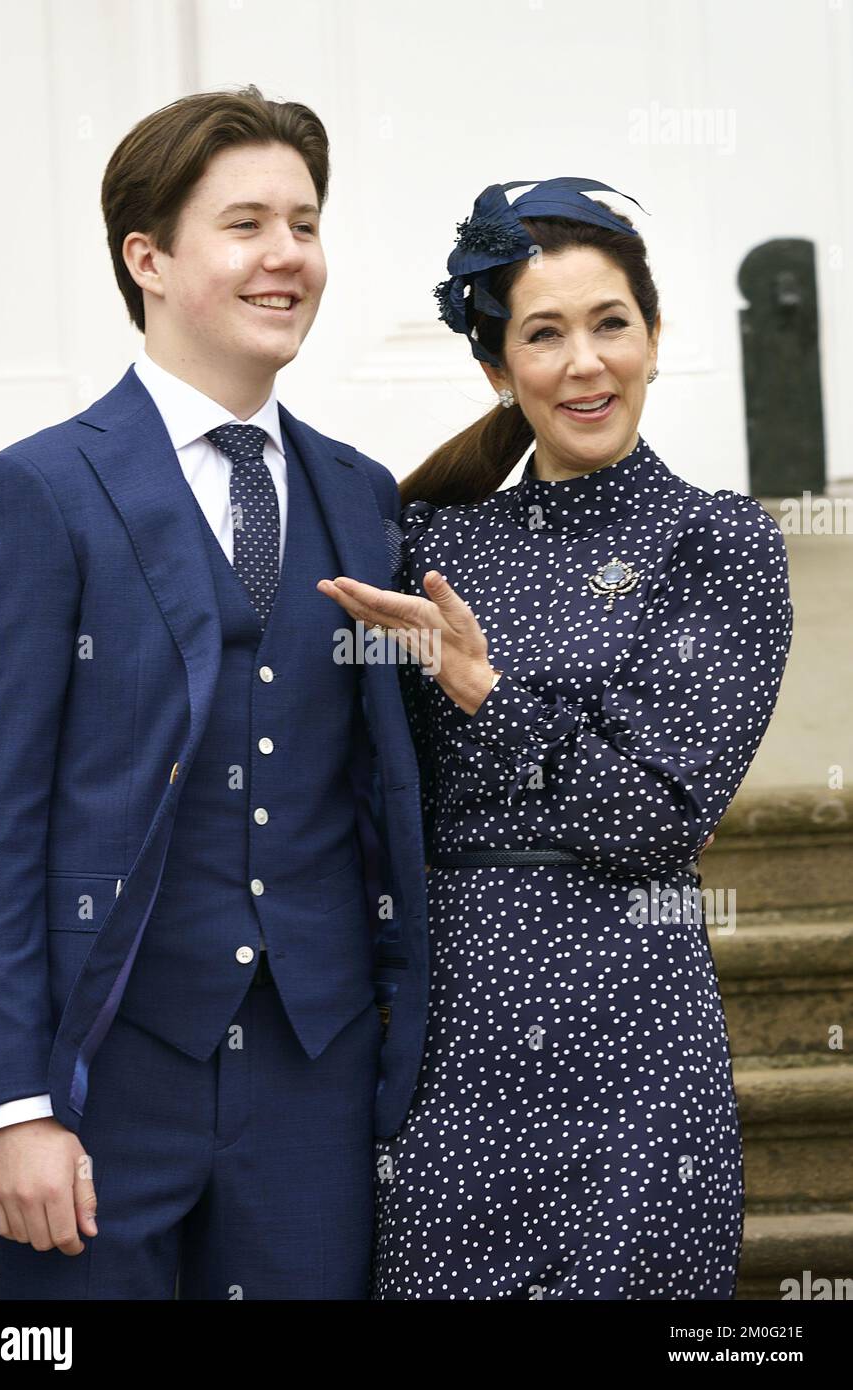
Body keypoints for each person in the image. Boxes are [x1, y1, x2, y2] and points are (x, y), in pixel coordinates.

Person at [0, 86, 430, 1300]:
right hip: (105, 1079)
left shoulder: (362, 496)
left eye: (305, 224)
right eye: (247, 223)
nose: (288, 257)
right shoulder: (34, 495)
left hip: (312, 1082)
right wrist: (16, 1105)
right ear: (146, 258)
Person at [318, 178, 793, 1299]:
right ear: (497, 369)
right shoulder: (424, 539)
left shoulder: (717, 546)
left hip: (633, 1036)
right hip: (449, 1037)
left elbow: (654, 823)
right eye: (543, 333)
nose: (583, 363)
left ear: (654, 336)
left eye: (608, 323)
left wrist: (483, 689)